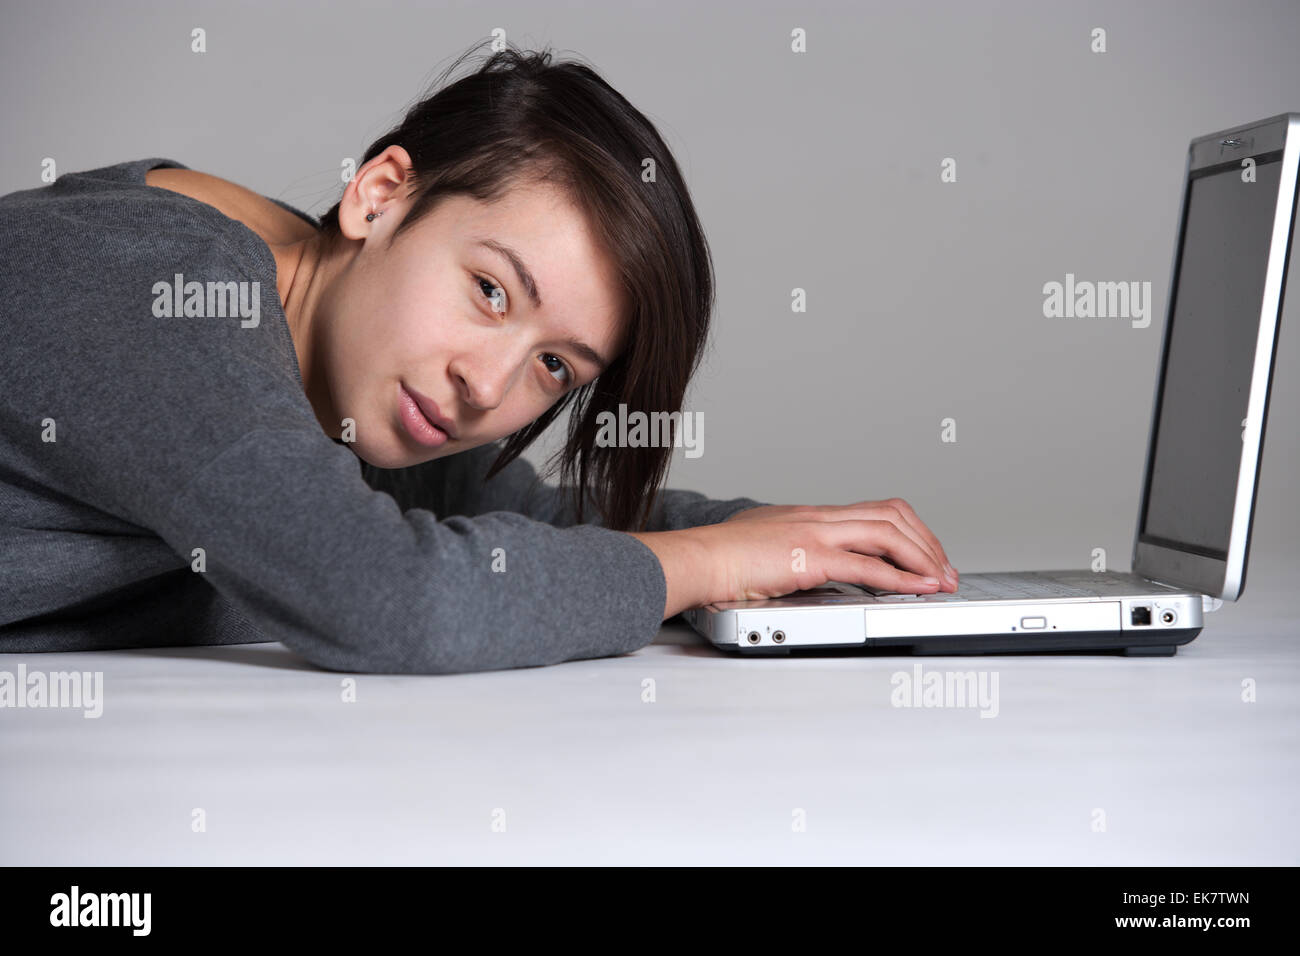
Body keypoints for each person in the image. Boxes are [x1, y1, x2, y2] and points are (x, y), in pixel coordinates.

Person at [0, 45, 957, 674]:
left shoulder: (346, 359)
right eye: (492, 291)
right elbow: (388, 594)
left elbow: (514, 522)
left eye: (554, 368)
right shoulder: (157, 285)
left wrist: (782, 542)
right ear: (381, 196)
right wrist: (704, 564)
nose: (486, 385)